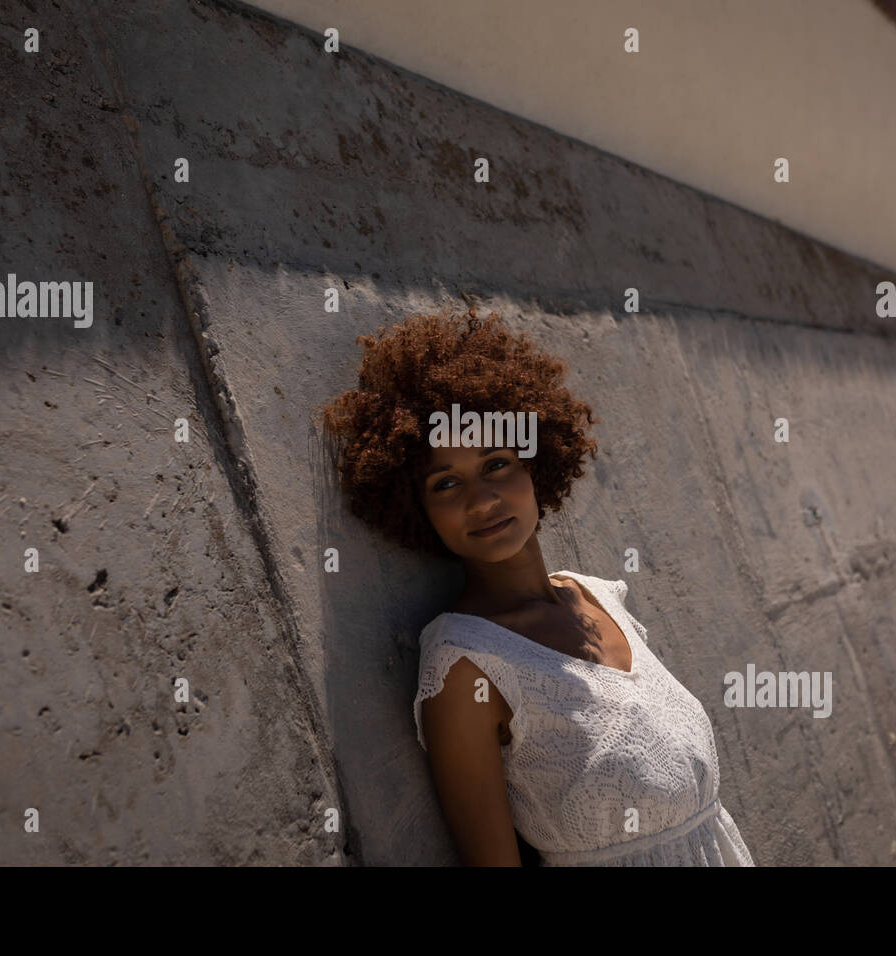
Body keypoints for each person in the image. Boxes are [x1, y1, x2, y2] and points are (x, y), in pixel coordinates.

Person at [320, 305, 754, 867]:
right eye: (445, 483)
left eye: (496, 463)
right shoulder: (465, 667)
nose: (480, 501)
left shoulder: (602, 597)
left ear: (535, 463)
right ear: (415, 509)